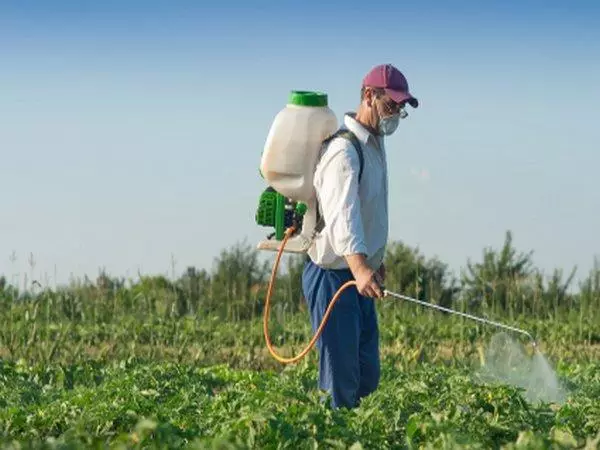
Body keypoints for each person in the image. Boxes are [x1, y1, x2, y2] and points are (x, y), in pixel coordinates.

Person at [302, 63, 419, 409]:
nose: (395, 113)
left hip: (355, 274)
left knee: (367, 375)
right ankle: (334, 438)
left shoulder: (374, 145)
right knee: (342, 383)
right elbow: (343, 217)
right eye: (391, 105)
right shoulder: (344, 150)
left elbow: (371, 212)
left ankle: (357, 436)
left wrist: (373, 263)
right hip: (333, 277)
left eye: (400, 108)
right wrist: (360, 266)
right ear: (369, 96)